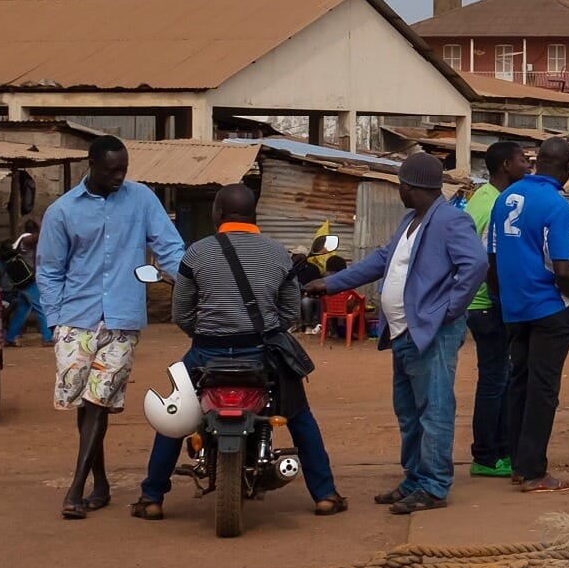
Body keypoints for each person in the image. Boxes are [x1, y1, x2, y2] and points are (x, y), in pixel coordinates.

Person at [136, 181, 344, 520]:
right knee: (300, 415)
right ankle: (324, 494)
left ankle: (151, 497)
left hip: (205, 354)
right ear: (254, 214)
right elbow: (290, 311)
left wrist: (205, 335)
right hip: (261, 354)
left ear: (217, 213)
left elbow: (182, 313)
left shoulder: (197, 253)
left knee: (174, 414)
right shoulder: (277, 253)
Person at [311, 151, 485, 514]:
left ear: (413, 186)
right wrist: (330, 285)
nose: (399, 191)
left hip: (431, 332)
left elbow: (476, 264)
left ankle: (434, 486)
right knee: (408, 410)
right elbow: (380, 261)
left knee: (434, 409)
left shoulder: (451, 220)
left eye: (402, 184)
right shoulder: (410, 220)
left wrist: (448, 311)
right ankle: (414, 479)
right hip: (404, 332)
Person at [40, 136, 187, 520]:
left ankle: (75, 489)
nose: (120, 176)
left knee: (98, 401)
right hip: (75, 318)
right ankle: (101, 483)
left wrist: (195, 279)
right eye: (111, 171)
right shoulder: (62, 211)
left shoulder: (142, 200)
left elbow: (169, 248)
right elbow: (50, 270)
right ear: (92, 165)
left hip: (122, 318)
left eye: (123, 168)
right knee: (84, 405)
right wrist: (55, 321)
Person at [491, 137, 569, 494]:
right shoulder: (557, 206)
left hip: (515, 308)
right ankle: (534, 472)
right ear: (568, 168)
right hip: (548, 306)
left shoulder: (504, 199)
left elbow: (492, 261)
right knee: (543, 389)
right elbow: (562, 267)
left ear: (535, 162)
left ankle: (519, 465)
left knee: (520, 383)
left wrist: (506, 299)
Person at [464, 142, 530, 478]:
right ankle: (487, 456)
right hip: (488, 303)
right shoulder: (496, 205)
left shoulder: (481, 198)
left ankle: (496, 451)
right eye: (522, 159)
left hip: (477, 303)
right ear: (506, 165)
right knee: (495, 381)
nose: (527, 163)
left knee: (496, 379)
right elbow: (491, 261)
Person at [0, 228, 49, 345]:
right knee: (41, 308)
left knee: (22, 310)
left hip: (23, 283)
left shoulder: (21, 246)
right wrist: (46, 226)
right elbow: (34, 239)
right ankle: (48, 338)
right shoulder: (25, 240)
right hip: (29, 282)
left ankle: (10, 337)